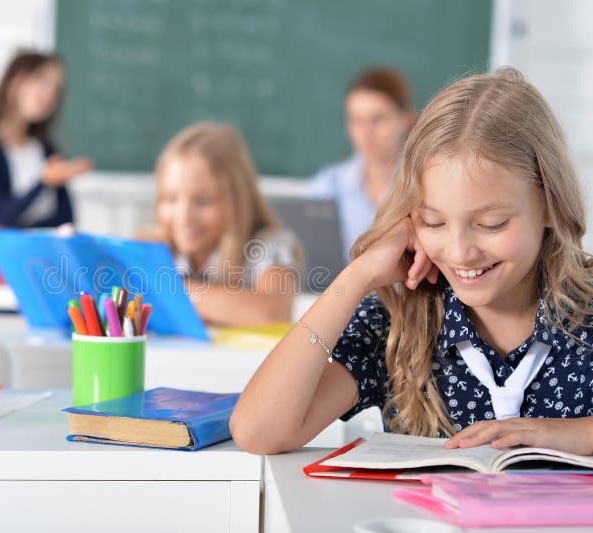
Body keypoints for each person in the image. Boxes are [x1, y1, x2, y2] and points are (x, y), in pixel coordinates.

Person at [230, 67, 593, 456]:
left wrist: (569, 434)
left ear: (551, 205)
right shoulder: (397, 322)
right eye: (433, 222)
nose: (459, 252)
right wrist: (360, 275)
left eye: (492, 224)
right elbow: (258, 431)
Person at [153, 121, 302, 326]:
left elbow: (271, 313)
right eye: (170, 199)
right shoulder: (154, 246)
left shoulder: (268, 244)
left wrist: (169, 291)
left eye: (203, 201)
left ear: (237, 201)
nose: (184, 216)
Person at [0, 51, 93, 261]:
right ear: (15, 80)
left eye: (57, 88)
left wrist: (10, 232)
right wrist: (43, 182)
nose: (50, 94)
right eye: (42, 80)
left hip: (42, 261)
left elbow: (65, 223)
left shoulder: (46, 149)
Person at [309, 67, 415, 262]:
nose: (366, 132)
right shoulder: (327, 186)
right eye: (357, 120)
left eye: (377, 119)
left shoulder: (421, 185)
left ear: (405, 119)